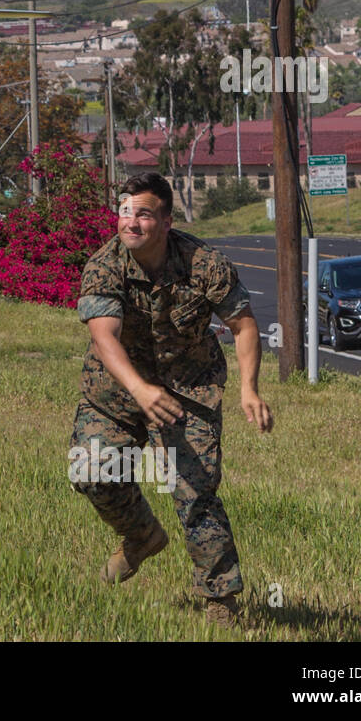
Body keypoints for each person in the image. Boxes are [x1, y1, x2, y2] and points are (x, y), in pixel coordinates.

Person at [70, 172, 273, 627]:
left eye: (143, 213)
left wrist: (248, 388)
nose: (131, 222)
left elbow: (243, 326)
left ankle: (221, 602)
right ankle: (141, 536)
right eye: (125, 211)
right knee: (90, 471)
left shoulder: (205, 263)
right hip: (116, 393)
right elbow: (105, 338)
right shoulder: (104, 265)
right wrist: (140, 389)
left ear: (165, 218)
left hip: (189, 390)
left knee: (195, 496)